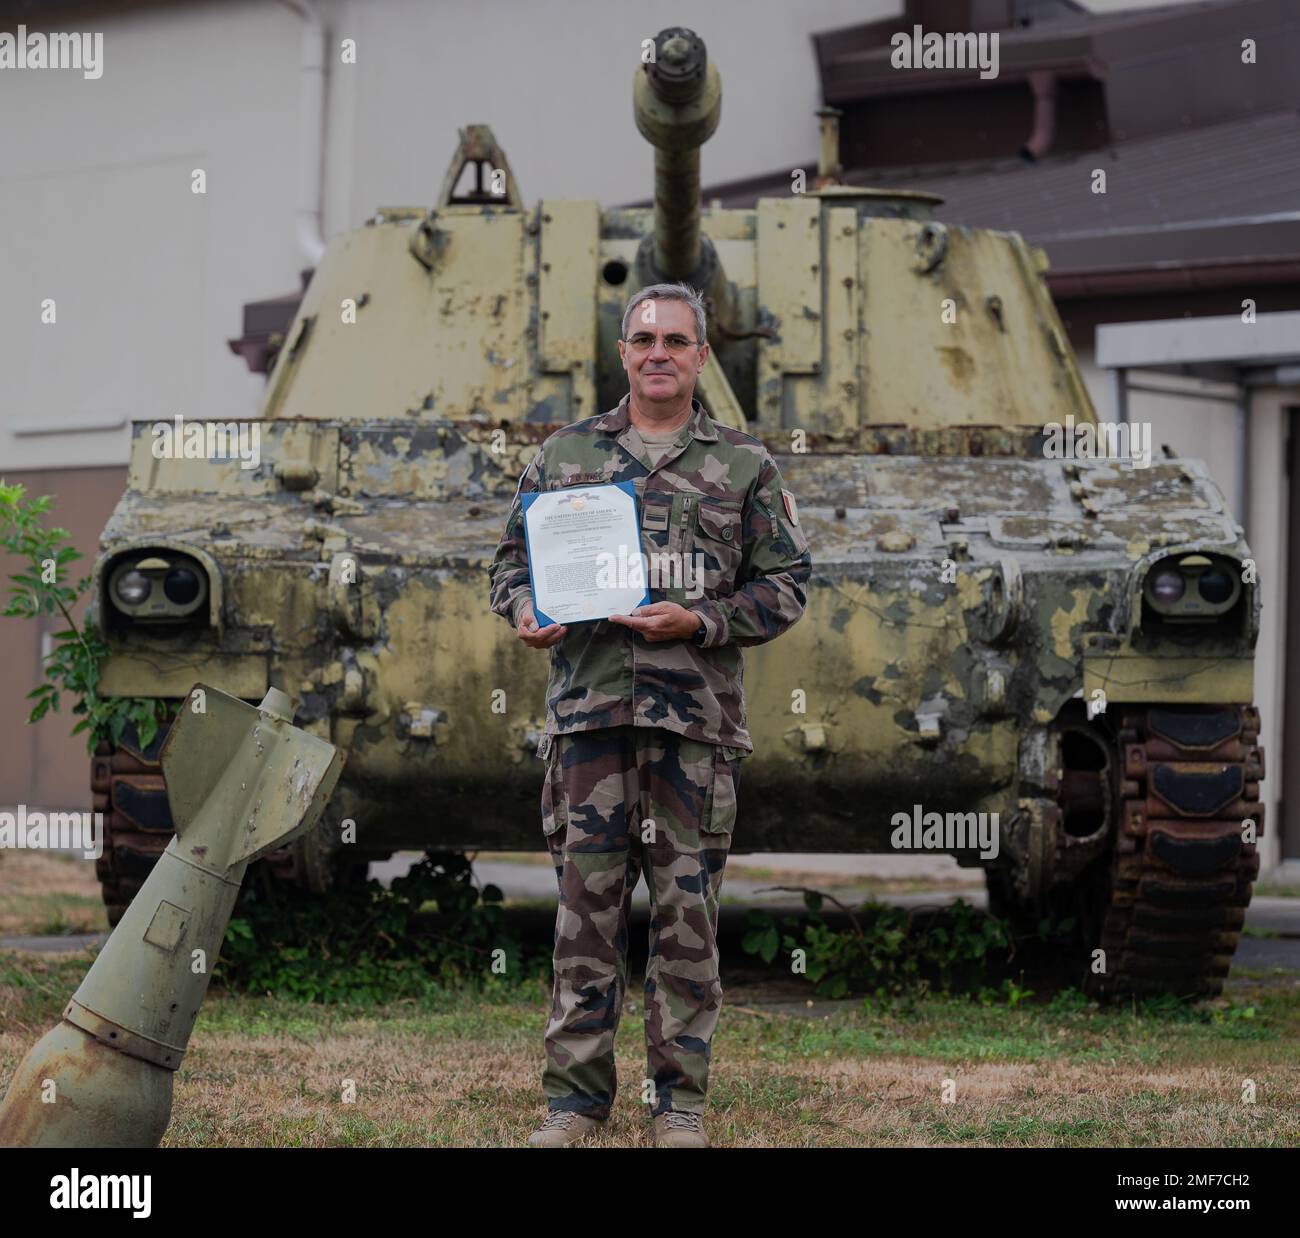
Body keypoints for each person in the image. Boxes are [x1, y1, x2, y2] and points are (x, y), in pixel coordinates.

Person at [488, 281, 810, 1147]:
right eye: (643, 339)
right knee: (582, 918)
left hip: (693, 729)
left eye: (676, 339)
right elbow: (508, 566)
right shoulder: (563, 458)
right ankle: (575, 1103)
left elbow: (787, 586)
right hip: (589, 722)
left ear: (702, 356)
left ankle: (680, 1106)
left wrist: (702, 620)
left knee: (687, 920)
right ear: (623, 354)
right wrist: (524, 611)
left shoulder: (745, 465)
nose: (658, 352)